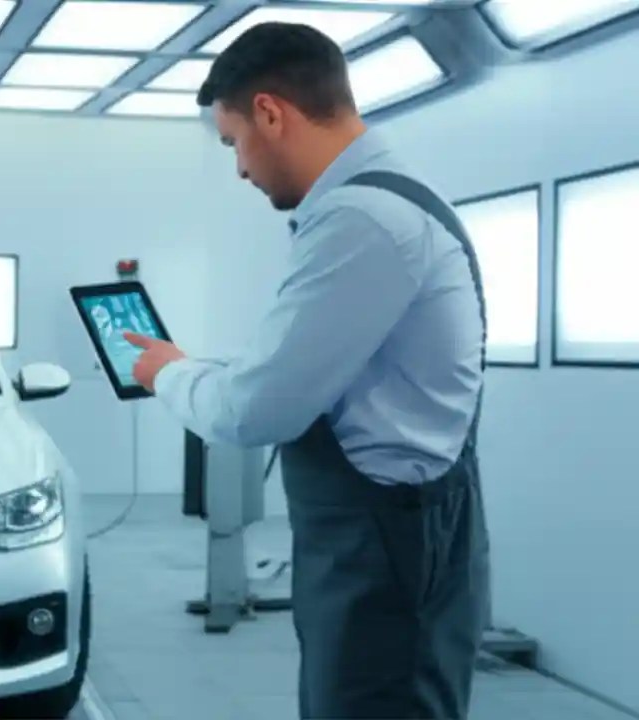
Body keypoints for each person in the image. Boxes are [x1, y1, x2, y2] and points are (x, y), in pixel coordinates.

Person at [124, 22, 492, 720]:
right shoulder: (394, 201)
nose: (239, 169)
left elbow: (253, 412)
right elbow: (311, 366)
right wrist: (213, 367)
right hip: (397, 539)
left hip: (386, 556)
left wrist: (166, 375)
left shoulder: (362, 221)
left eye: (234, 142)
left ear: (270, 112)